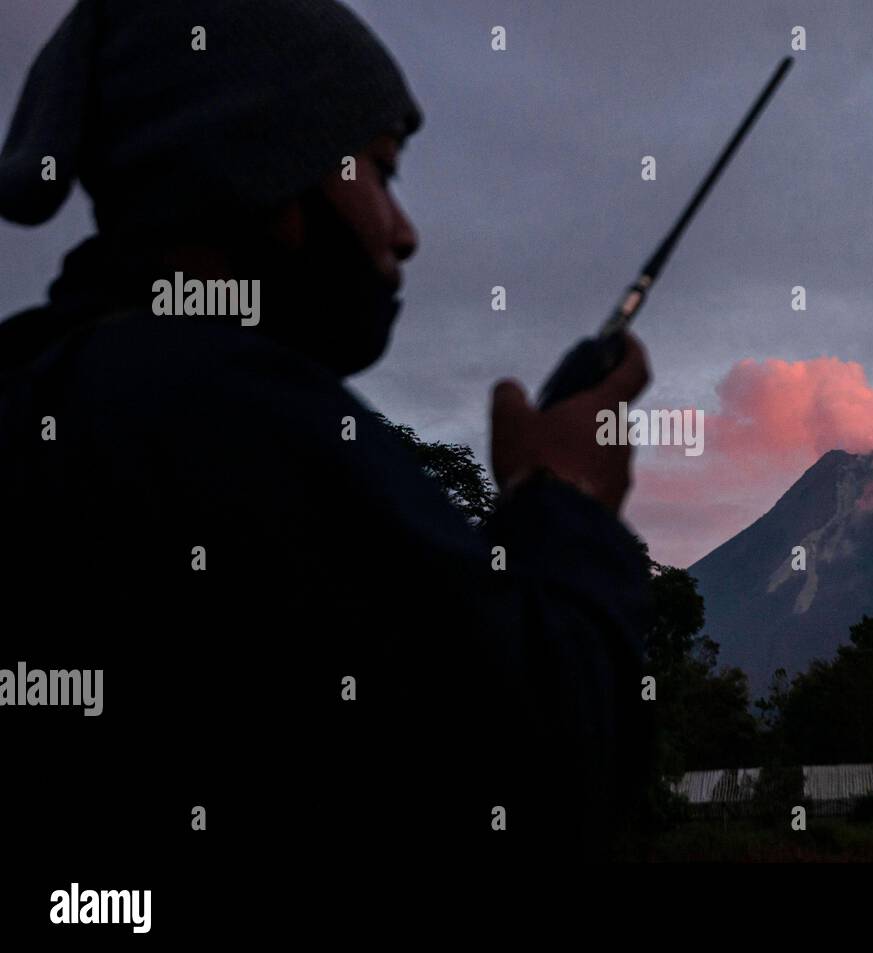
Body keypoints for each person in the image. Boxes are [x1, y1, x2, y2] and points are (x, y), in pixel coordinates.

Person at [0, 0, 655, 883]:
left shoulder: (48, 391)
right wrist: (570, 502)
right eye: (380, 172)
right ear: (263, 164)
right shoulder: (229, 415)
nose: (404, 229)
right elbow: (528, 792)